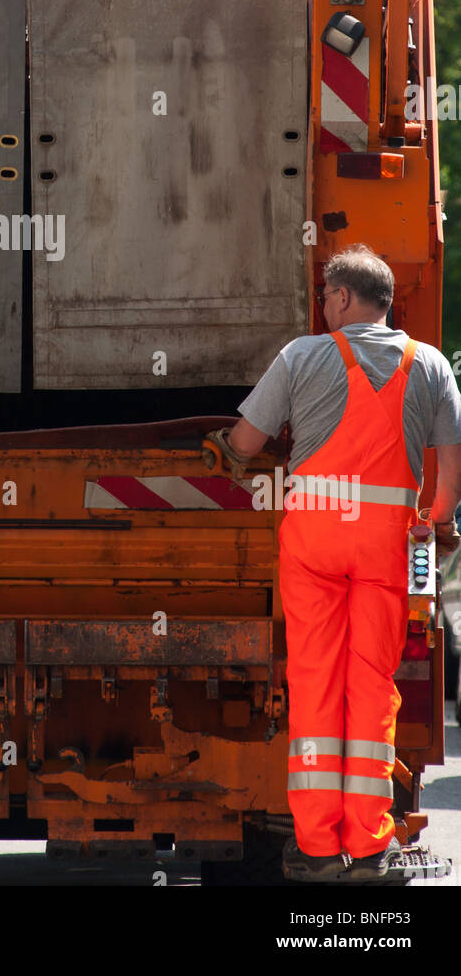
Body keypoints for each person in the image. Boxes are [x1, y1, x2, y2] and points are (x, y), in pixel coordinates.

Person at [206, 243, 461, 884]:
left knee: (316, 682)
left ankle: (318, 851)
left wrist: (224, 451)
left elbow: (245, 442)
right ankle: (371, 850)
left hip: (315, 546)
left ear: (345, 298)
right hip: (384, 550)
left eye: (326, 295)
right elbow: (449, 474)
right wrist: (440, 527)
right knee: (373, 688)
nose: (322, 306)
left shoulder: (301, 355)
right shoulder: (429, 364)